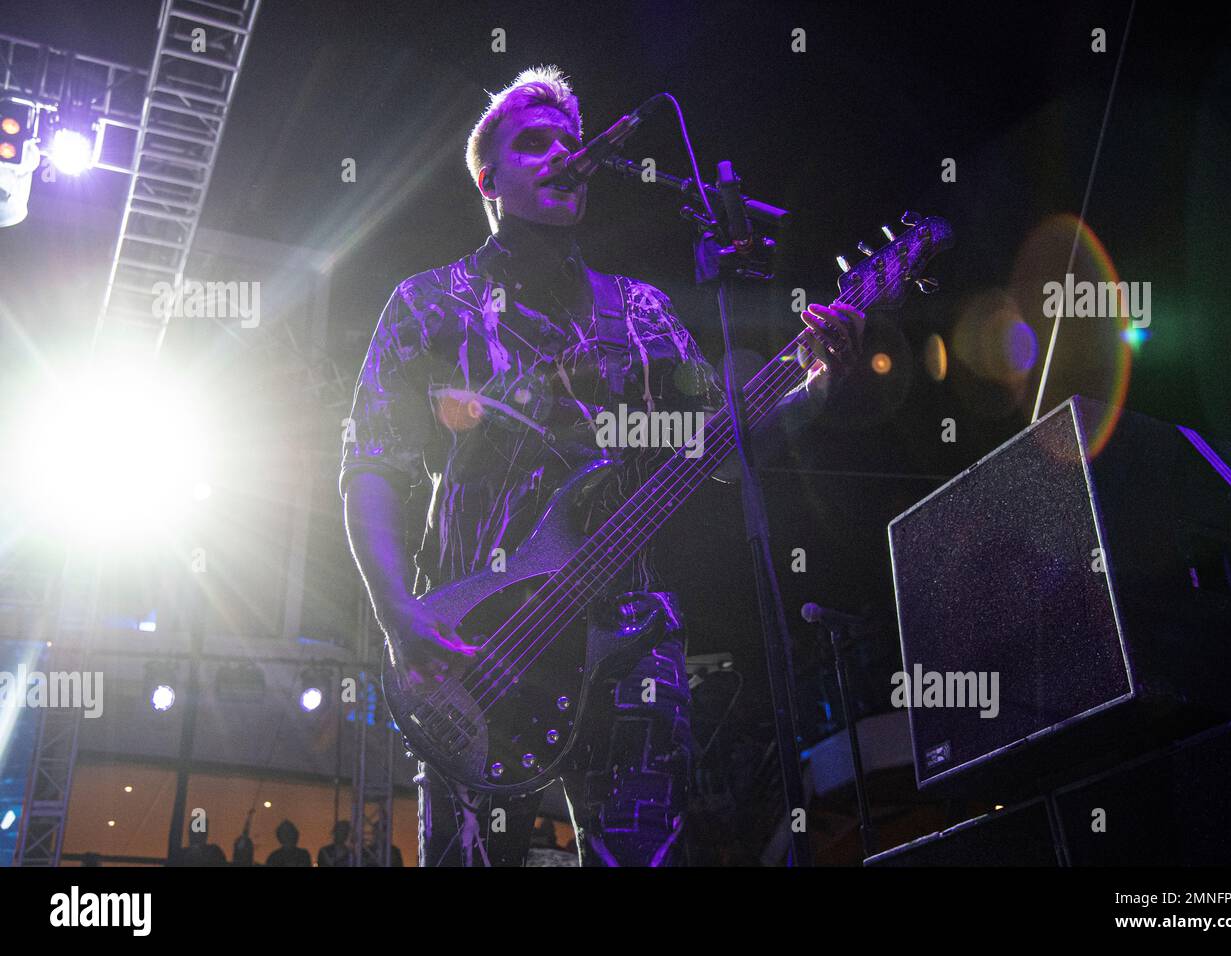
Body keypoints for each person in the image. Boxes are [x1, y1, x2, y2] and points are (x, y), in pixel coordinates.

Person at [340, 66, 864, 867]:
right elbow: (372, 467)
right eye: (535, 143)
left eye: (570, 141)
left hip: (626, 637)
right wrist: (395, 612)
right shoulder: (430, 303)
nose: (563, 154)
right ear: (490, 179)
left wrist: (818, 385)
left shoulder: (642, 310)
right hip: (477, 645)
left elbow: (725, 453)